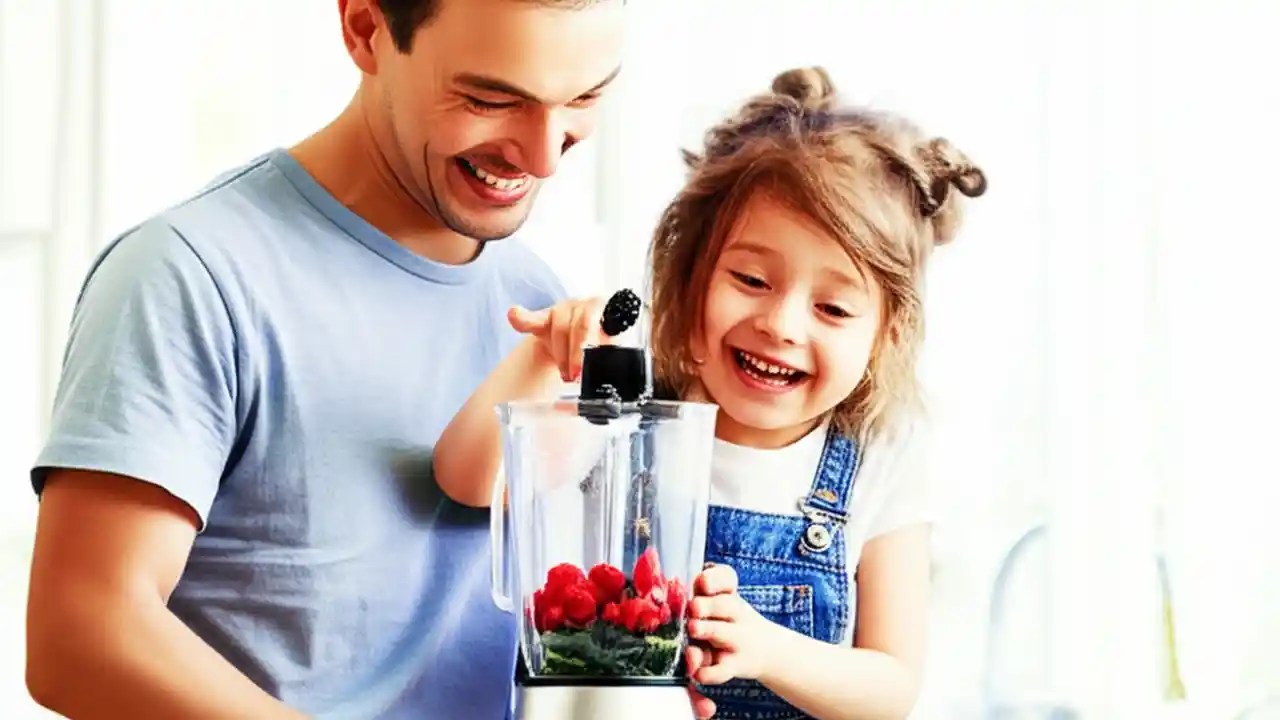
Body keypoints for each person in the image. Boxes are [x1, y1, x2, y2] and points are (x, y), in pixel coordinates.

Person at [23, 0, 625, 718]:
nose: (543, 155)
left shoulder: (536, 299)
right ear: (366, 29)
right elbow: (82, 635)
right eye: (490, 99)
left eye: (585, 96)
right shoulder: (189, 275)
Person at [433, 66, 987, 719]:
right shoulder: (627, 419)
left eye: (834, 310)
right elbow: (468, 480)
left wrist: (770, 652)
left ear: (885, 335)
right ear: (690, 276)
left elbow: (890, 689)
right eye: (751, 279)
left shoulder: (878, 458)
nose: (781, 325)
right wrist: (541, 354)